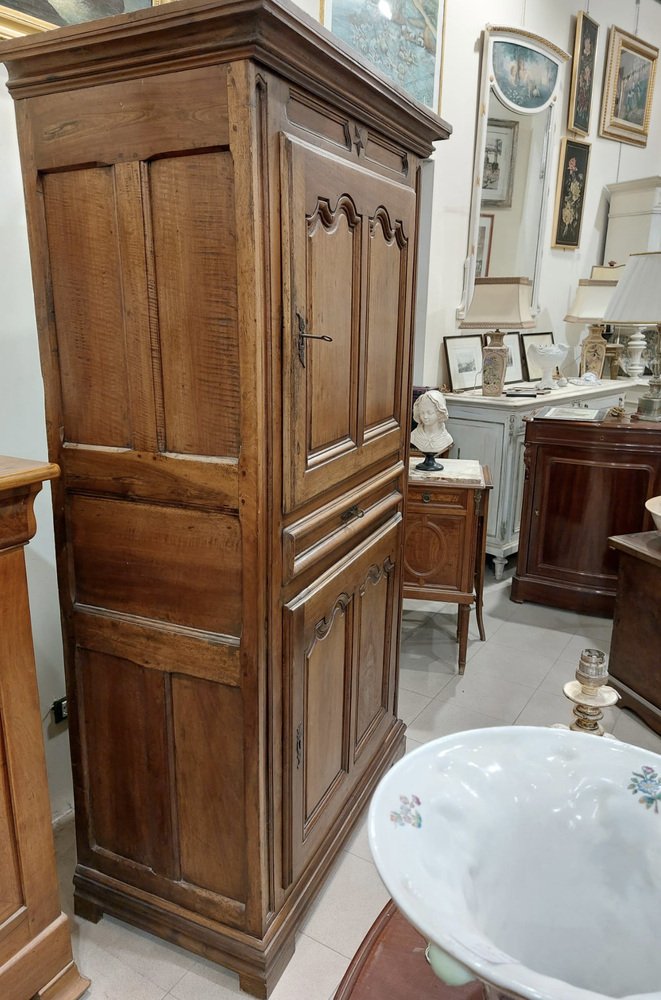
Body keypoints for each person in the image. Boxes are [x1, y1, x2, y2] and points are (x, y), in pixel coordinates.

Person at [411, 389, 453, 456]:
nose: (425, 416)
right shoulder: (413, 436)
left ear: (439, 413)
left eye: (429, 413)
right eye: (422, 413)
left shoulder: (446, 438)